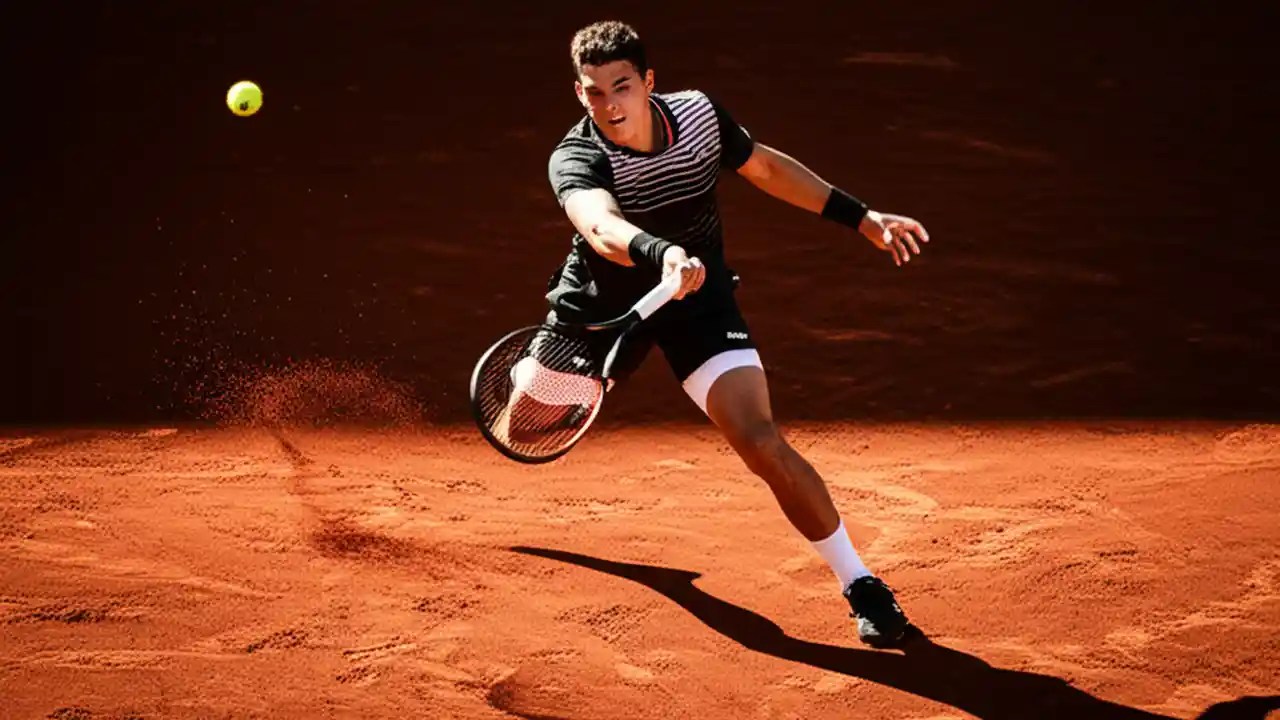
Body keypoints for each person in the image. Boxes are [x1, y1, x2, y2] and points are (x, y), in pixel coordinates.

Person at [539, 20, 930, 648]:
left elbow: (766, 168)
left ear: (649, 82)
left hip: (698, 301)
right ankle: (563, 380)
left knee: (760, 440)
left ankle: (860, 582)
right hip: (606, 302)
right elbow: (599, 226)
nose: (609, 105)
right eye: (594, 91)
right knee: (530, 416)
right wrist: (661, 252)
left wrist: (861, 218)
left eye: (622, 86)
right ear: (578, 93)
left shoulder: (698, 118)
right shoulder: (577, 156)